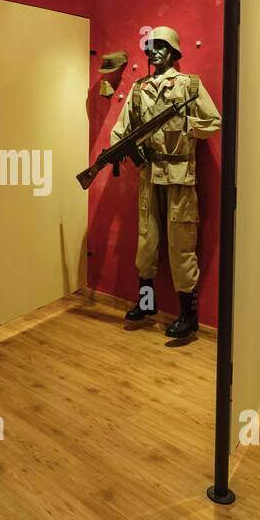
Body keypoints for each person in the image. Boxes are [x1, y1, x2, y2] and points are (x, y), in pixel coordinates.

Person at [109, 27, 220, 338]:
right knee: (147, 242)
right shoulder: (138, 88)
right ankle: (147, 304)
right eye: (150, 48)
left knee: (181, 246)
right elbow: (120, 130)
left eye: (160, 47)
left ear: (173, 52)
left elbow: (214, 122)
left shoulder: (189, 86)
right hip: (149, 175)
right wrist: (124, 149)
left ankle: (189, 317)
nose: (153, 53)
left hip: (180, 177)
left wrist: (185, 125)